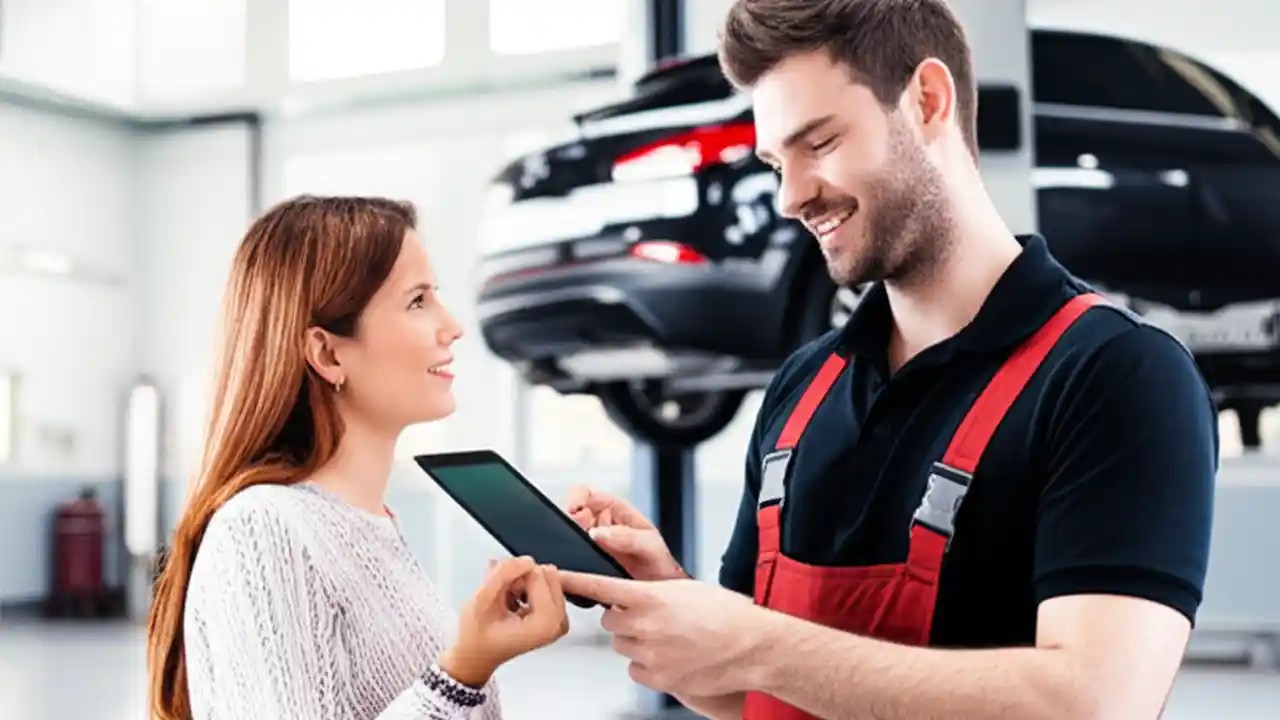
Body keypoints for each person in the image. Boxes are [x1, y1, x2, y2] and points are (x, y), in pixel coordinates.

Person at [558, 1, 1218, 719]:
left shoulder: (1116, 378)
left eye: (820, 143)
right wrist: (673, 601)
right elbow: (747, 689)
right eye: (778, 161)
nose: (791, 195)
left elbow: (1093, 704)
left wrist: (755, 643)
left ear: (928, 101)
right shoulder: (802, 390)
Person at [146, 196, 570, 720]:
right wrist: (462, 673)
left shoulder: (371, 524)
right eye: (418, 301)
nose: (453, 326)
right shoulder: (261, 530)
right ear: (327, 354)